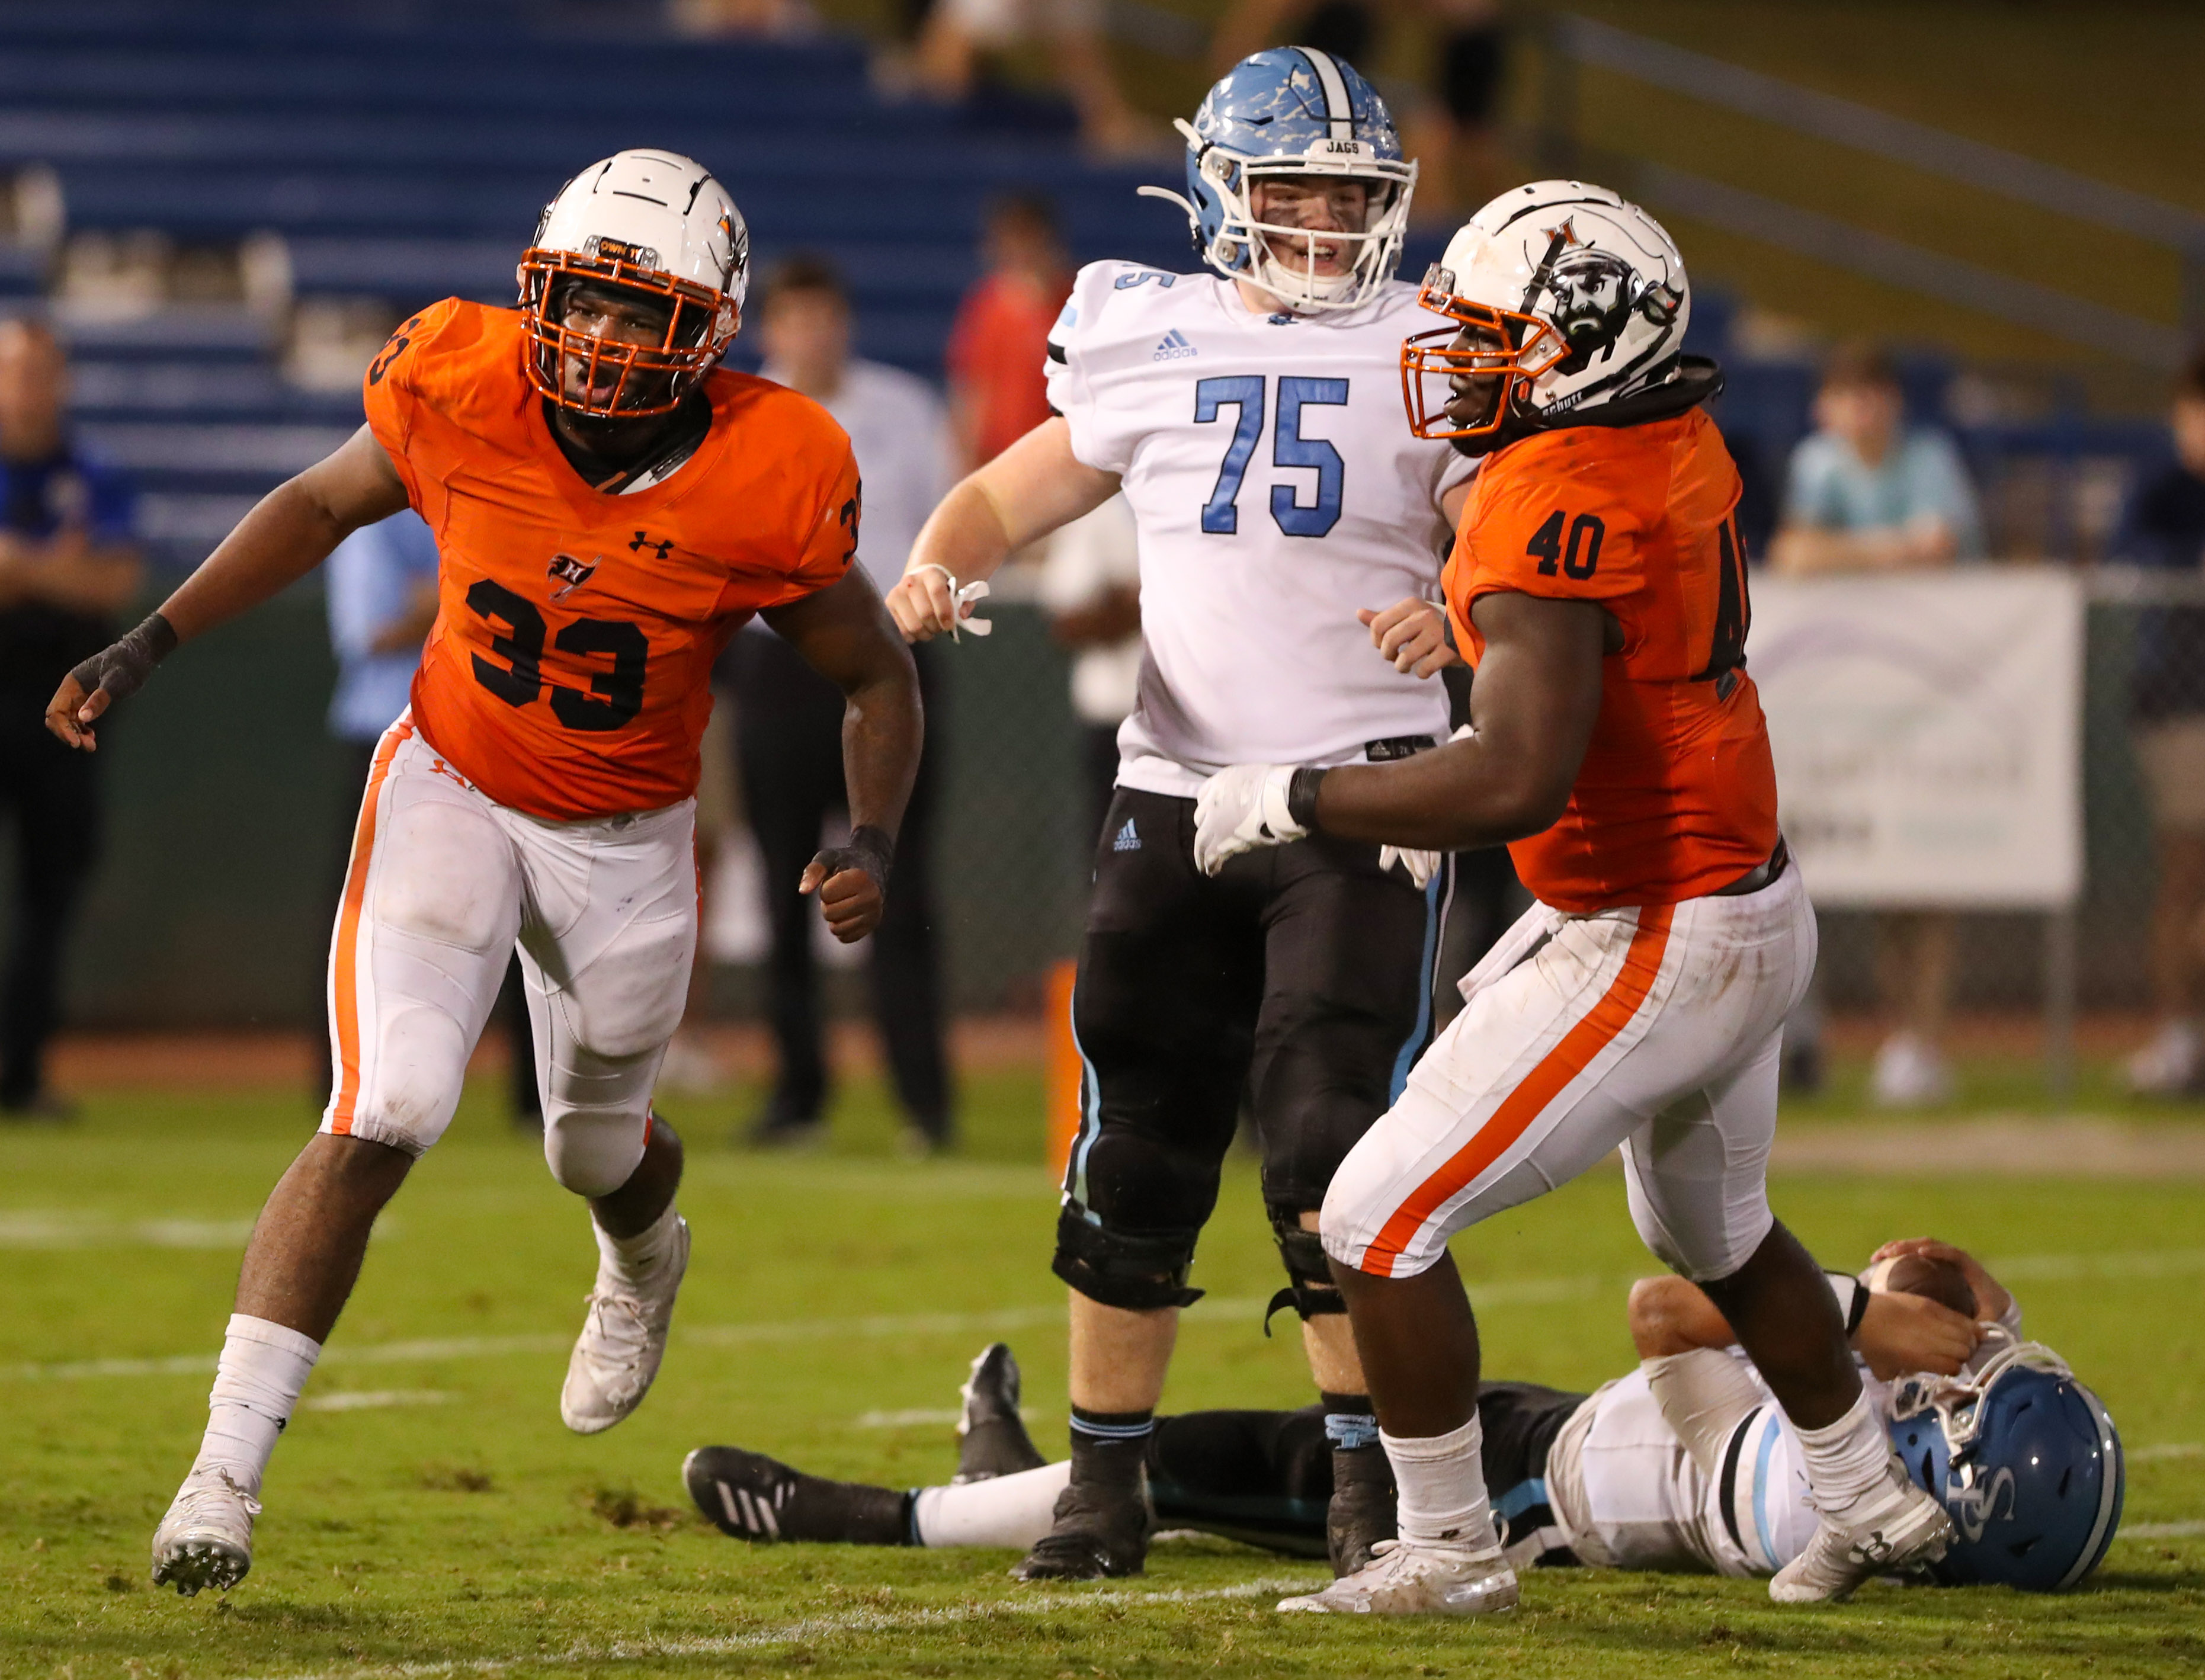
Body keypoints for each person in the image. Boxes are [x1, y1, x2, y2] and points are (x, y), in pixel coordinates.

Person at [47, 150, 922, 1597]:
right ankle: (220, 1475)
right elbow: (320, 506)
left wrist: (869, 836)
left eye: (643, 317)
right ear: (539, 283)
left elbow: (877, 673)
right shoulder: (459, 374)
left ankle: (641, 1260)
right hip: (452, 780)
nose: (602, 338)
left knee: (591, 1148)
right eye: (583, 300)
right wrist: (152, 639)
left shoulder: (774, 466)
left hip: (627, 842)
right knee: (387, 1105)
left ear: (705, 331)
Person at [1192, 182, 1956, 1614]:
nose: (1460, 357)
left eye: (1492, 334)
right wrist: (1473, 655)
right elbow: (1574, 687)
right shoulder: (1664, 426)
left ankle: (1446, 1547)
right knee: (1711, 1235)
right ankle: (1865, 1495)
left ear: (1578, 346)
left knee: (1371, 1218)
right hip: (1742, 889)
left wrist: (1295, 797)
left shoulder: (1549, 495)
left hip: (1653, 919)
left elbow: (1514, 781)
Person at [889, 49, 1473, 1583]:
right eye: (1291, 188)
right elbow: (1006, 492)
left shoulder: (1439, 343)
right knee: (1135, 1140)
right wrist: (942, 564)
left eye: (1349, 194)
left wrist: (1466, 613)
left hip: (1362, 795)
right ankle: (1103, 1481)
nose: (1323, 219)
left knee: (1332, 1142)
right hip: (1174, 788)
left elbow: (1518, 541)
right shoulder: (1142, 325)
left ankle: (1370, 1484)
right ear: (1222, 186)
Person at [682, 1241, 2121, 1595]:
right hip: (1544, 1442)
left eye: (1949, 1402)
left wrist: (1859, 1306)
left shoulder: (1793, 1492)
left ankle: (875, 1515)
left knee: (1187, 1465)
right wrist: (1943, 1315)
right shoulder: (1886, 1515)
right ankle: (1006, 1462)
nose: (1934, 1389)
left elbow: (1663, 1310)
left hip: (1516, 1492)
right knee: (1211, 1449)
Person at [733, 255, 957, 1150]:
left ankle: (924, 1102)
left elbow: (944, 528)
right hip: (775, 663)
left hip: (890, 657)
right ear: (770, 328)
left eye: (825, 315)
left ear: (845, 322)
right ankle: (799, 1095)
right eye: (795, 317)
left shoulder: (903, 410)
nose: (812, 333)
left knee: (894, 873)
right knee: (785, 879)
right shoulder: (740, 412)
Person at [1769, 341, 1986, 1109]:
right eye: (1847, 395)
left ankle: (1917, 1042)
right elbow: (1793, 553)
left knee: (1920, 880)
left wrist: (1849, 559)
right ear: (1827, 407)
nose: (1861, 411)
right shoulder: (1817, 464)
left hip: (1929, 708)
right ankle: (1797, 1033)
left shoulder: (1927, 458)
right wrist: (1888, 552)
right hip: (1836, 714)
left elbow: (1943, 549)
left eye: (1873, 394)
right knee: (1802, 873)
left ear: (1893, 403)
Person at [321, 510, 545, 1127]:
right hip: (385, 736)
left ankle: (540, 1097)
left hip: (486, 736)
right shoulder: (376, 519)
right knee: (364, 921)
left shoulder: (487, 504)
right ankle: (348, 1085)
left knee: (527, 915)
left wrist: (444, 595)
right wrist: (473, 594)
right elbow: (370, 631)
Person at [0, 318, 141, 1118]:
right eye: (14, 372)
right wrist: (64, 567)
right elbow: (85, 575)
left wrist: (21, 567)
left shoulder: (97, 474)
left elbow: (114, 584)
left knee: (49, 894)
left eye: (39, 372)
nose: (27, 389)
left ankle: (23, 1073)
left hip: (64, 712)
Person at [2116, 352, 2205, 1095]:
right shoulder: (2158, 494)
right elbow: (2137, 564)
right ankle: (2176, 1033)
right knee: (2184, 872)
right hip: (2179, 707)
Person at [1034, 494, 1141, 838]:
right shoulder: (1097, 509)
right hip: (1115, 716)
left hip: (1198, 718)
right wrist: (1145, 601)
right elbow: (1067, 621)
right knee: (1112, 854)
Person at [944, 195, 1072, 474]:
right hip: (1004, 463)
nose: (1021, 251)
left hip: (1066, 460)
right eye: (1012, 241)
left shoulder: (1077, 301)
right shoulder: (986, 306)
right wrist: (967, 465)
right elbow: (971, 390)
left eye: (1028, 239)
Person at [912, 0, 1143, 153]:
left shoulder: (1072, 9)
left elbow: (1104, 112)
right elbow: (937, 90)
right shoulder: (973, 9)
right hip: (971, 129)